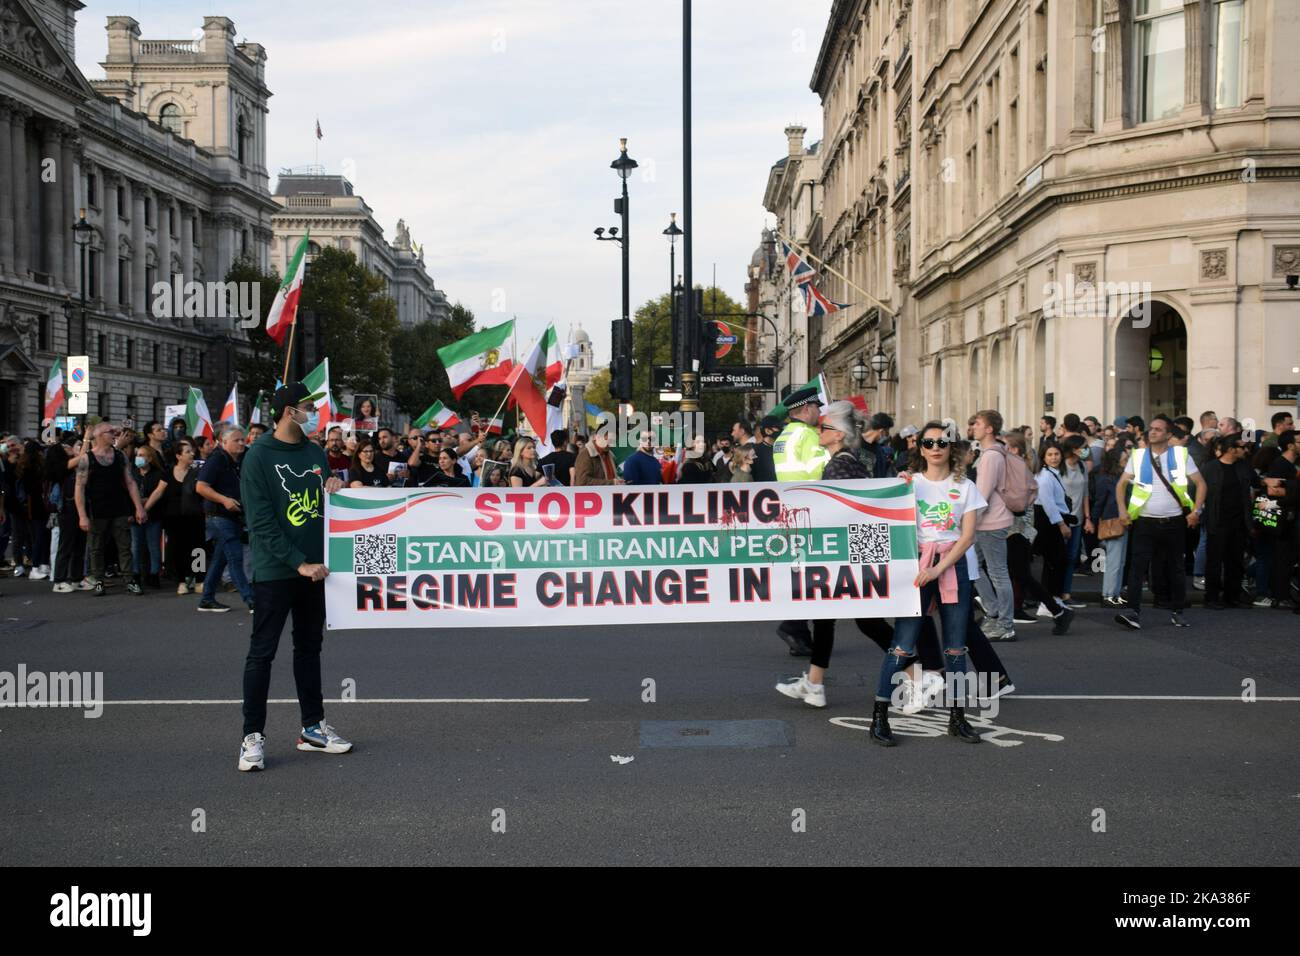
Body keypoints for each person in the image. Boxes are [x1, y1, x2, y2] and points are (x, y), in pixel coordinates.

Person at [237, 382, 350, 772]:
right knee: (262, 653)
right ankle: (252, 737)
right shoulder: (258, 456)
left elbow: (325, 498)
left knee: (309, 648)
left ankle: (313, 728)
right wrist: (297, 562)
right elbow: (261, 522)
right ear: (289, 411)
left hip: (315, 569)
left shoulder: (315, 451)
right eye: (308, 406)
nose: (313, 412)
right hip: (276, 571)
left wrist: (333, 487)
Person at [869, 422, 985, 748]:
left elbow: (967, 537)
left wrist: (938, 570)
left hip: (951, 567)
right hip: (916, 566)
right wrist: (898, 488)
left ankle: (958, 718)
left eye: (942, 442)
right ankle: (879, 716)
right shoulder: (909, 484)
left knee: (956, 647)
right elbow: (885, 518)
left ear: (951, 447)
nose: (936, 447)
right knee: (902, 643)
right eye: (929, 442)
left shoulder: (965, 487)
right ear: (920, 448)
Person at [775, 401, 868, 708]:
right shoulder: (839, 461)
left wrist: (800, 525)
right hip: (836, 551)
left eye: (825, 427)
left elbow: (836, 512)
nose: (819, 430)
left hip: (843, 552)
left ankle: (916, 671)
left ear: (839, 435)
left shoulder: (840, 464)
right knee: (825, 620)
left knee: (870, 624)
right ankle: (814, 685)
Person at [1114, 415, 1207, 630]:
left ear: (1168, 434)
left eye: (1157, 429)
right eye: (1151, 429)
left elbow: (1201, 484)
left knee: (1175, 568)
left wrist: (1196, 511)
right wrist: (1122, 511)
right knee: (1137, 568)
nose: (1152, 432)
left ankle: (1178, 611)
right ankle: (1133, 612)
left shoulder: (1181, 455)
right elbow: (1121, 485)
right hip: (1145, 521)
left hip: (1173, 521)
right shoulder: (1137, 456)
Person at [772, 384, 830, 656]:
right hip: (812, 510)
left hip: (791, 511)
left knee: (800, 571)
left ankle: (798, 630)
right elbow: (822, 472)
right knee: (813, 573)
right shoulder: (808, 436)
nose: (819, 412)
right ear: (806, 409)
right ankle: (795, 626)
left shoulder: (784, 436)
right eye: (817, 407)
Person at [1002, 432, 1073, 631]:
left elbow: (1021, 503)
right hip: (1015, 527)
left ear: (1014, 450)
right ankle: (1055, 610)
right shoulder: (1021, 470)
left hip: (1015, 528)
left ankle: (1054, 610)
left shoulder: (1019, 471)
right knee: (1015, 573)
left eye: (1003, 446)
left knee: (1018, 573)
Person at [74, 422, 148, 597]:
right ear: (99, 435)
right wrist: (82, 516)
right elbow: (79, 488)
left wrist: (139, 508)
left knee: (124, 546)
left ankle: (129, 581)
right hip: (97, 510)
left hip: (119, 509)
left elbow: (130, 482)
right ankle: (99, 580)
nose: (115, 434)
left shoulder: (120, 456)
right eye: (111, 432)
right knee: (96, 548)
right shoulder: (87, 459)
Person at [195, 426, 253, 613]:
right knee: (235, 557)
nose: (242, 443)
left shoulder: (241, 458)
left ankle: (207, 598)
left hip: (234, 516)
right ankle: (251, 600)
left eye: (243, 439)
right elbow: (201, 487)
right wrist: (224, 500)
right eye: (237, 440)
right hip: (219, 516)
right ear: (224, 441)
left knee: (220, 559)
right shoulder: (217, 459)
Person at [970, 409, 1016, 641]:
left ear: (989, 429)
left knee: (997, 572)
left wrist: (970, 522)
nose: (973, 427)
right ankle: (995, 612)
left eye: (977, 423)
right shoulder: (995, 452)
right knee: (974, 566)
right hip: (989, 520)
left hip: (990, 521)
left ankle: (1005, 623)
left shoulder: (991, 456)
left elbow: (983, 494)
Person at [1201, 434, 1253, 609]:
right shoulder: (1210, 468)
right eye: (1242, 447)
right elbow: (1201, 493)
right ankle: (1212, 597)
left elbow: (1252, 486)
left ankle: (1232, 596)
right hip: (1217, 521)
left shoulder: (1243, 467)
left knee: (1236, 561)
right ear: (1231, 449)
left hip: (1239, 522)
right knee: (1215, 561)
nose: (1245, 450)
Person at [162, 439, 205, 595]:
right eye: (187, 452)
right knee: (179, 549)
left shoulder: (197, 472)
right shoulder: (169, 472)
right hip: (174, 518)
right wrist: (142, 509)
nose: (191, 454)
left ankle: (200, 580)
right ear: (178, 456)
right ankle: (182, 581)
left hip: (195, 516)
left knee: (198, 548)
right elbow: (158, 493)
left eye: (192, 451)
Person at [1033, 444, 1073, 605]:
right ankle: (1049, 600)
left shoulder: (1053, 474)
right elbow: (1048, 503)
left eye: (1057, 454)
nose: (1054, 457)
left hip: (1052, 519)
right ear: (1043, 457)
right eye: (1050, 454)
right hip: (1048, 521)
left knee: (1057, 562)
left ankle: (1052, 599)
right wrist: (1061, 524)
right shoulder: (1045, 476)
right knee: (1054, 562)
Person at [1090, 446, 1130, 608]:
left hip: (1117, 520)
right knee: (1115, 561)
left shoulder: (1111, 478)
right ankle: (1109, 595)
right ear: (1117, 461)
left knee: (1119, 560)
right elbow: (1099, 502)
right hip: (1113, 520)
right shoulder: (1108, 479)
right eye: (1124, 459)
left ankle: (1114, 593)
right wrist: (1094, 521)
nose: (1127, 461)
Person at [1057, 435, 1090, 608]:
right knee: (1058, 557)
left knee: (1071, 558)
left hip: (1077, 519)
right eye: (1083, 447)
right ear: (1074, 448)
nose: (1086, 450)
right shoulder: (1061, 467)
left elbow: (1085, 493)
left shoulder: (1082, 466)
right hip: (1061, 519)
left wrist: (1088, 518)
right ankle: (1054, 593)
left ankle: (1066, 593)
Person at [130, 444, 169, 589]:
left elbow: (158, 494)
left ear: (150, 458)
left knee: (153, 546)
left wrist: (144, 505)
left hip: (154, 516)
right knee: (136, 546)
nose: (139, 458)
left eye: (142, 455)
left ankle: (154, 575)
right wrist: (139, 505)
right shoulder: (132, 473)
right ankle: (136, 575)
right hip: (135, 516)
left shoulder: (158, 474)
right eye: (137, 455)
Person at [752, 416, 782, 482]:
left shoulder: (782, 449)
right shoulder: (755, 451)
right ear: (767, 431)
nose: (781, 430)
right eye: (778, 428)